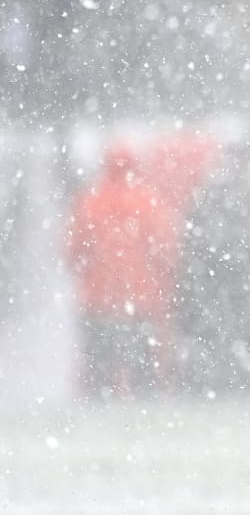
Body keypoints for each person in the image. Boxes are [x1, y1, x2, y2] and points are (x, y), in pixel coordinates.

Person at [65, 145, 181, 396]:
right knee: (144, 366)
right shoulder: (149, 201)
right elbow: (165, 251)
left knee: (99, 365)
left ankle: (98, 410)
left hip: (97, 298)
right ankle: (144, 411)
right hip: (142, 299)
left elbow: (72, 252)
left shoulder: (90, 200)